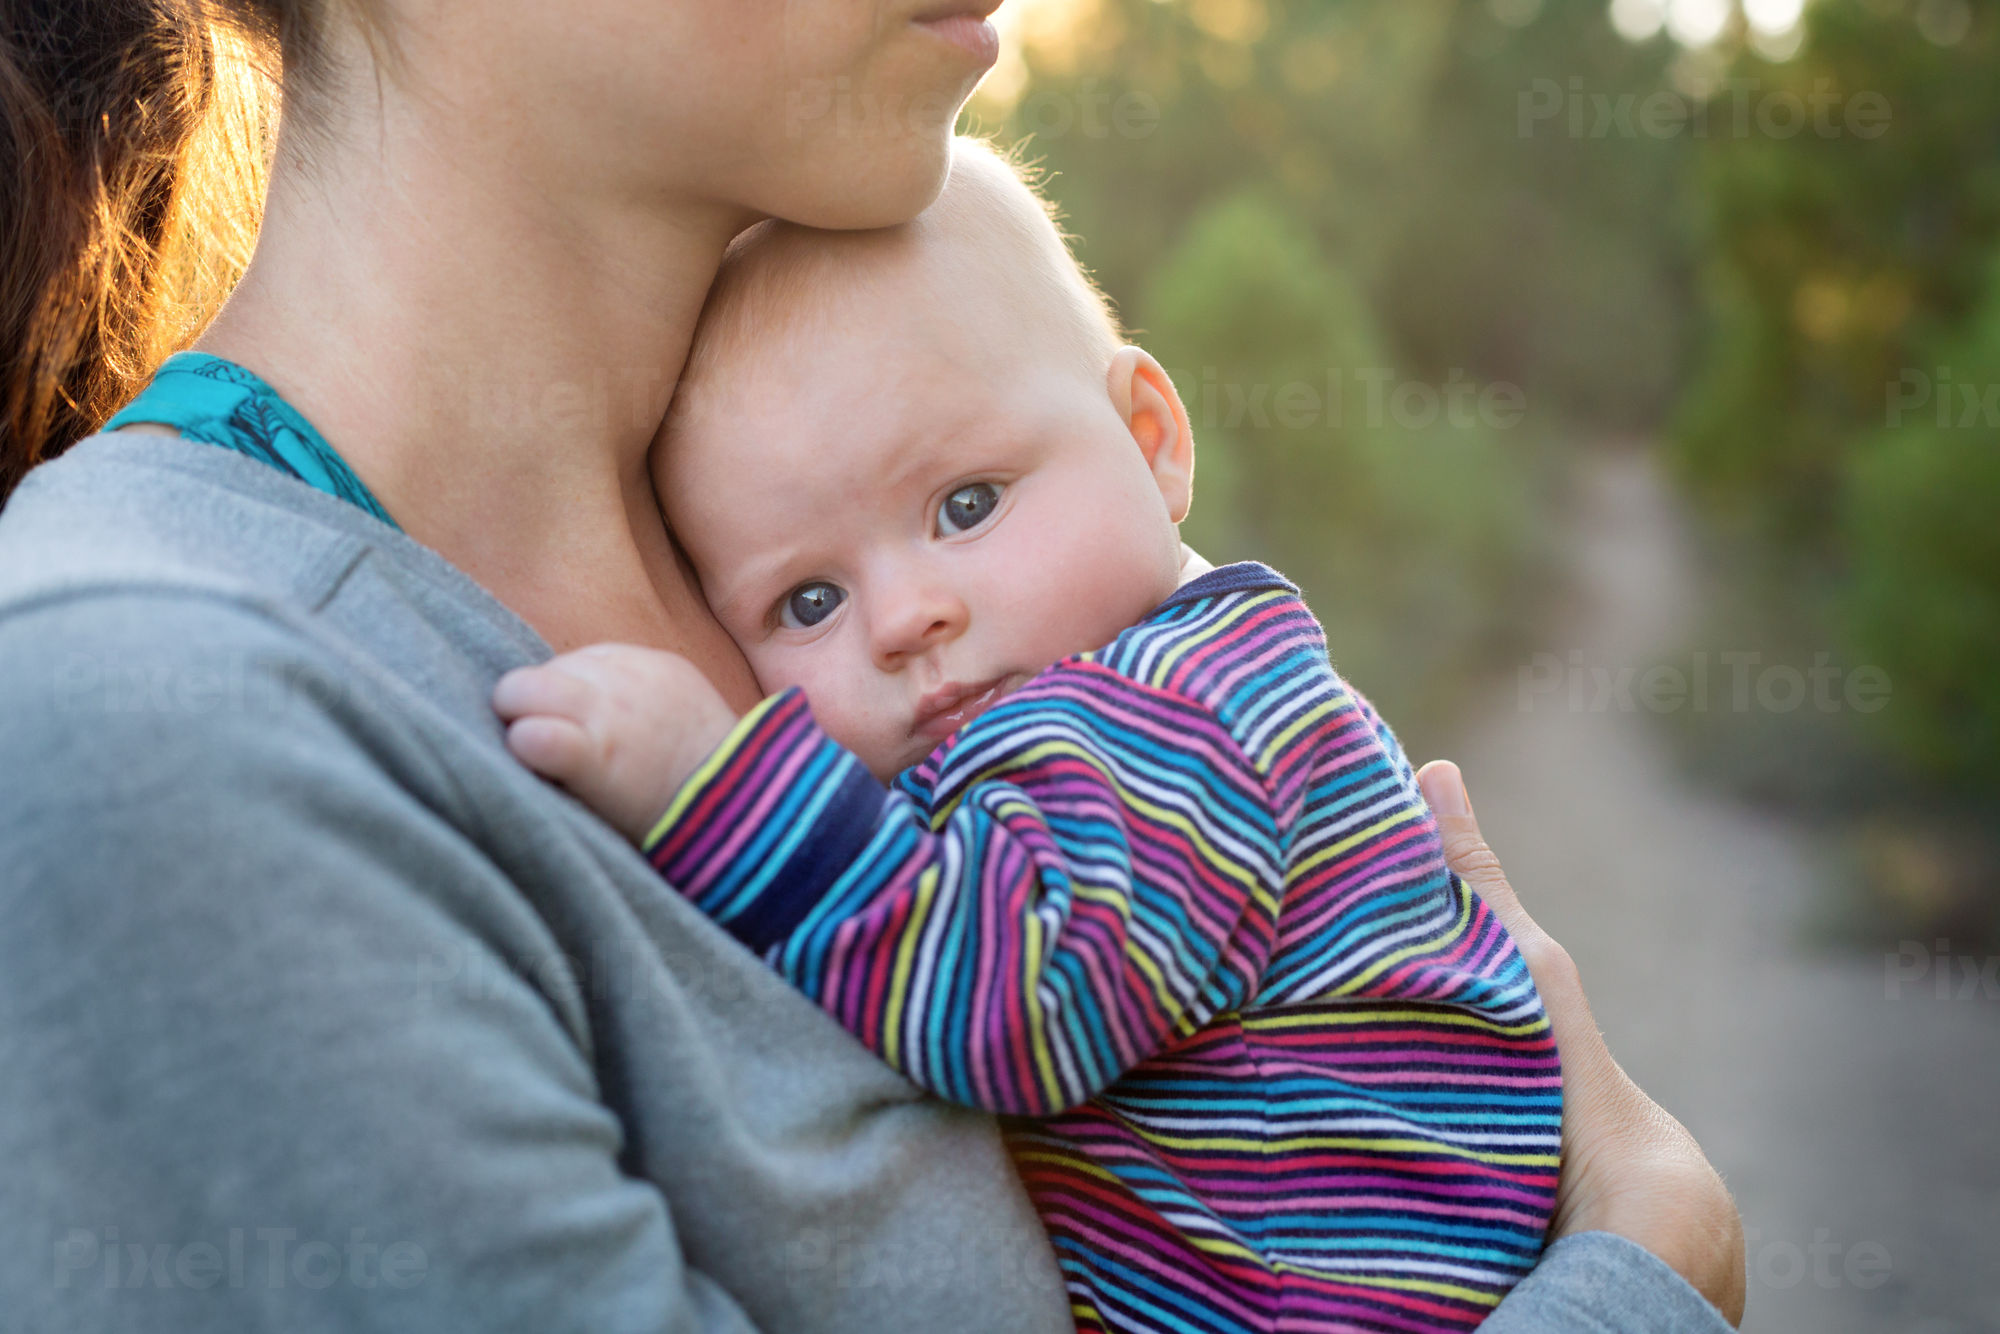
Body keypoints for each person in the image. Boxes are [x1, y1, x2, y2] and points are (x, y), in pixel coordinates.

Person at [0, 0, 1745, 1330]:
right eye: (817, 599)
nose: (890, 611)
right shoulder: (153, 728)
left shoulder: (885, 564)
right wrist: (1649, 1272)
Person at [492, 139, 1564, 1332]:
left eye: (966, 503)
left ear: (1150, 438)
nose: (904, 618)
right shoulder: (1103, 693)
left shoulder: (1180, 713)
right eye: (807, 600)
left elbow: (1021, 1002)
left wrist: (721, 789)